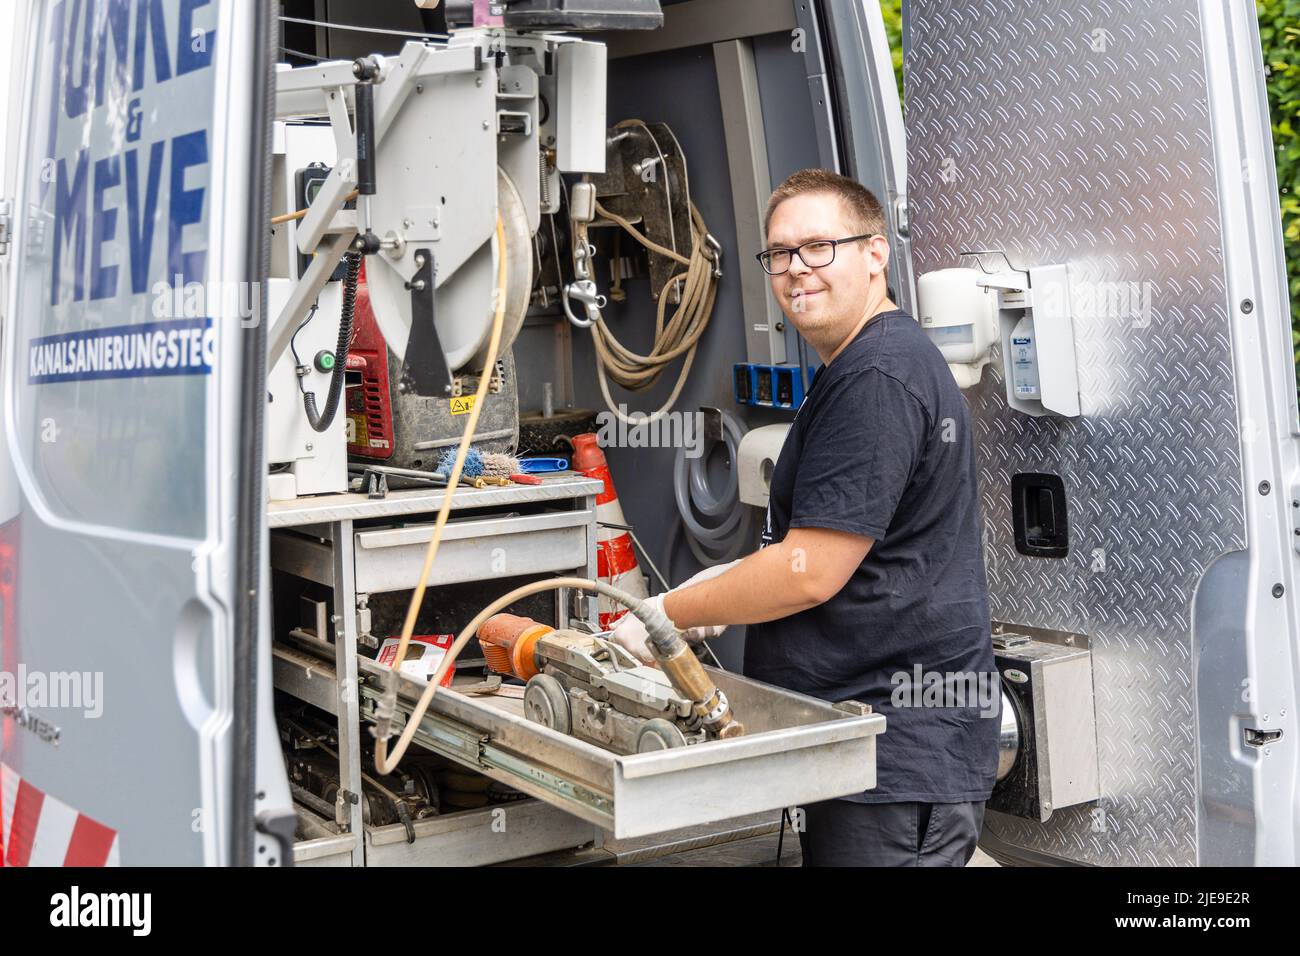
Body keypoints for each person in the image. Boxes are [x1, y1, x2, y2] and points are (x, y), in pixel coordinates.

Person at [612, 168, 999, 866]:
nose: (796, 270)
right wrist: (731, 583)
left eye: (819, 246)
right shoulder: (862, 365)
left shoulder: (877, 377)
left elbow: (810, 573)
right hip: (862, 745)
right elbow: (822, 546)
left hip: (895, 755)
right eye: (780, 253)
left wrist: (669, 612)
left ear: (875, 253)